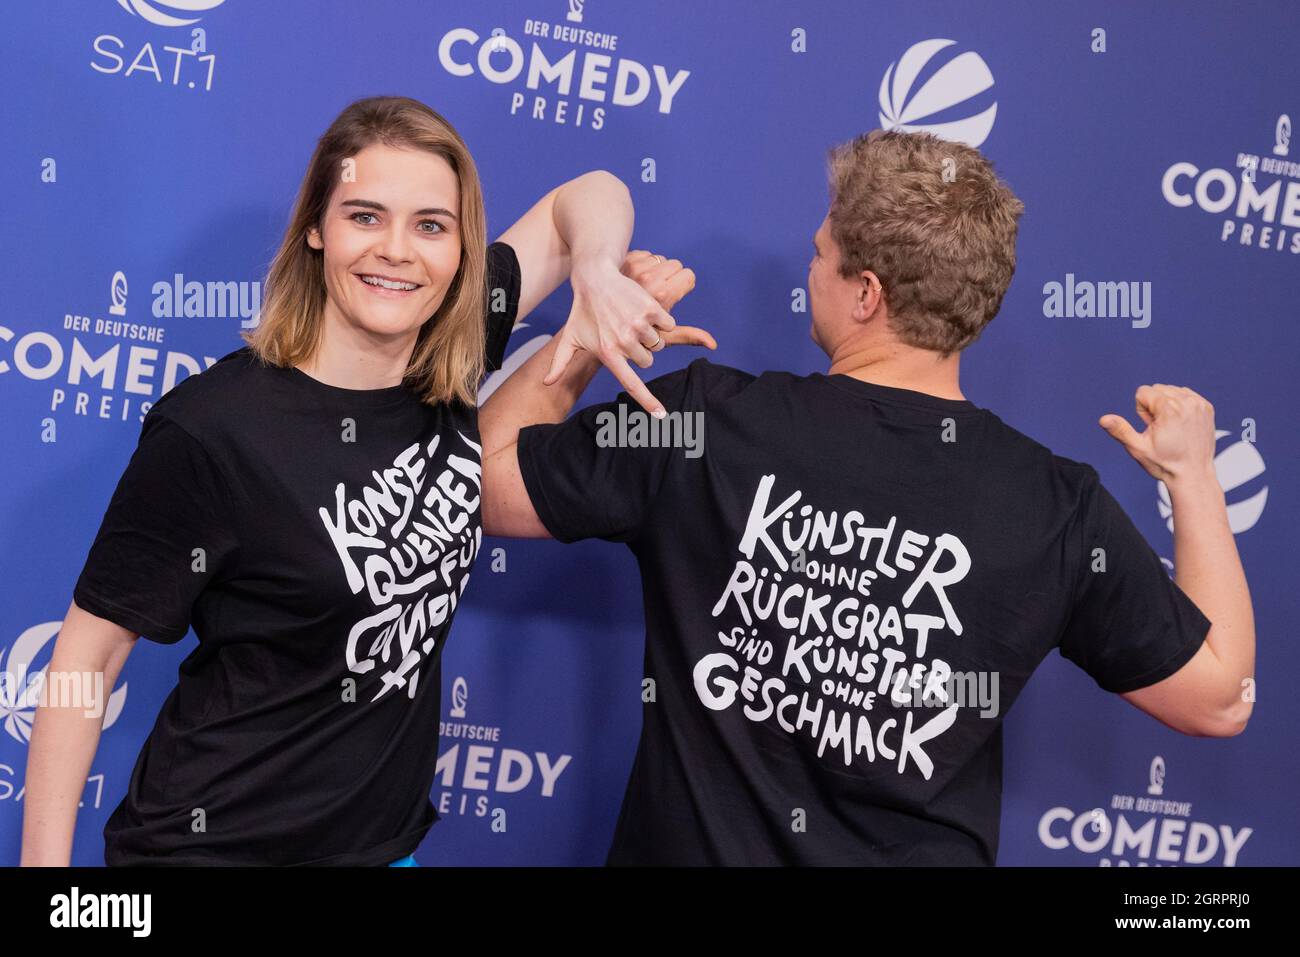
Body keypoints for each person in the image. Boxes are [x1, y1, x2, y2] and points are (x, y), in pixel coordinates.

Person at [477, 130, 1256, 865]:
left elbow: (486, 481)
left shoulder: (701, 421)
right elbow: (1219, 698)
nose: (810, 269)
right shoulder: (1057, 505)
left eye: (822, 253)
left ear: (866, 294)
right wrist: (1194, 478)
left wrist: (588, 337)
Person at [20, 95, 706, 867]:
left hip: (382, 851)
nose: (398, 252)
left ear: (460, 248)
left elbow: (594, 192)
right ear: (316, 228)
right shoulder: (215, 429)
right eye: (365, 216)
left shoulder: (452, 346)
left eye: (431, 226)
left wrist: (595, 274)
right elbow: (85, 660)